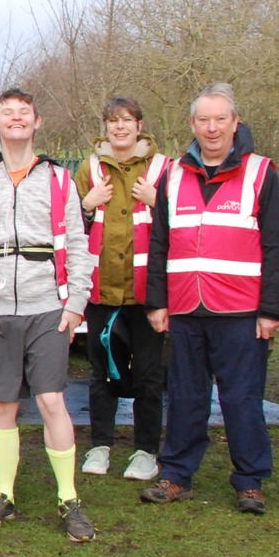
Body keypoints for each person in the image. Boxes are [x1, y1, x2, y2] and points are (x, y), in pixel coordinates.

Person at [0, 88, 98, 542]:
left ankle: (69, 498)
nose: (15, 119)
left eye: (24, 113)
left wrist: (76, 304)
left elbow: (77, 243)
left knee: (52, 401)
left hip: (47, 308)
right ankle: (5, 494)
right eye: (7, 113)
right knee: (2, 404)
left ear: (38, 123)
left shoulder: (59, 180)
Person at [140, 83, 279, 514]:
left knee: (242, 399)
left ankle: (249, 481)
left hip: (242, 311)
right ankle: (175, 475)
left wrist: (271, 309)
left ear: (235, 123)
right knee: (186, 396)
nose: (212, 128)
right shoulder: (173, 174)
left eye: (220, 119)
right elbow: (160, 243)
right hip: (186, 307)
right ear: (192, 125)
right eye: (203, 120)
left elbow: (278, 246)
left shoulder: (262, 173)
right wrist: (157, 302)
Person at [76, 96, 169, 482]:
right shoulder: (89, 168)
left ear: (140, 125)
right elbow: (69, 224)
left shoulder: (164, 168)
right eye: (113, 121)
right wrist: (85, 204)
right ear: (105, 127)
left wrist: (158, 202)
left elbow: (182, 223)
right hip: (102, 292)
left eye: (127, 120)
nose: (120, 127)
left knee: (149, 376)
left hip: (147, 293)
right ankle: (100, 445)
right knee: (102, 374)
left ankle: (146, 451)